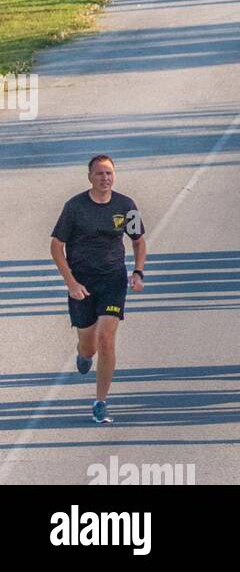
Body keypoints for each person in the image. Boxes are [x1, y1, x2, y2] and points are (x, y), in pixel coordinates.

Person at [50, 154, 146, 424]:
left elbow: (139, 241)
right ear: (90, 177)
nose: (105, 178)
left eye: (109, 173)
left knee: (106, 339)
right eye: (100, 174)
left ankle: (100, 401)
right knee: (89, 346)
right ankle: (83, 354)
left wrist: (138, 272)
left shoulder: (126, 205)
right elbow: (56, 246)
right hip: (82, 283)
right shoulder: (75, 207)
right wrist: (71, 283)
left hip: (113, 280)